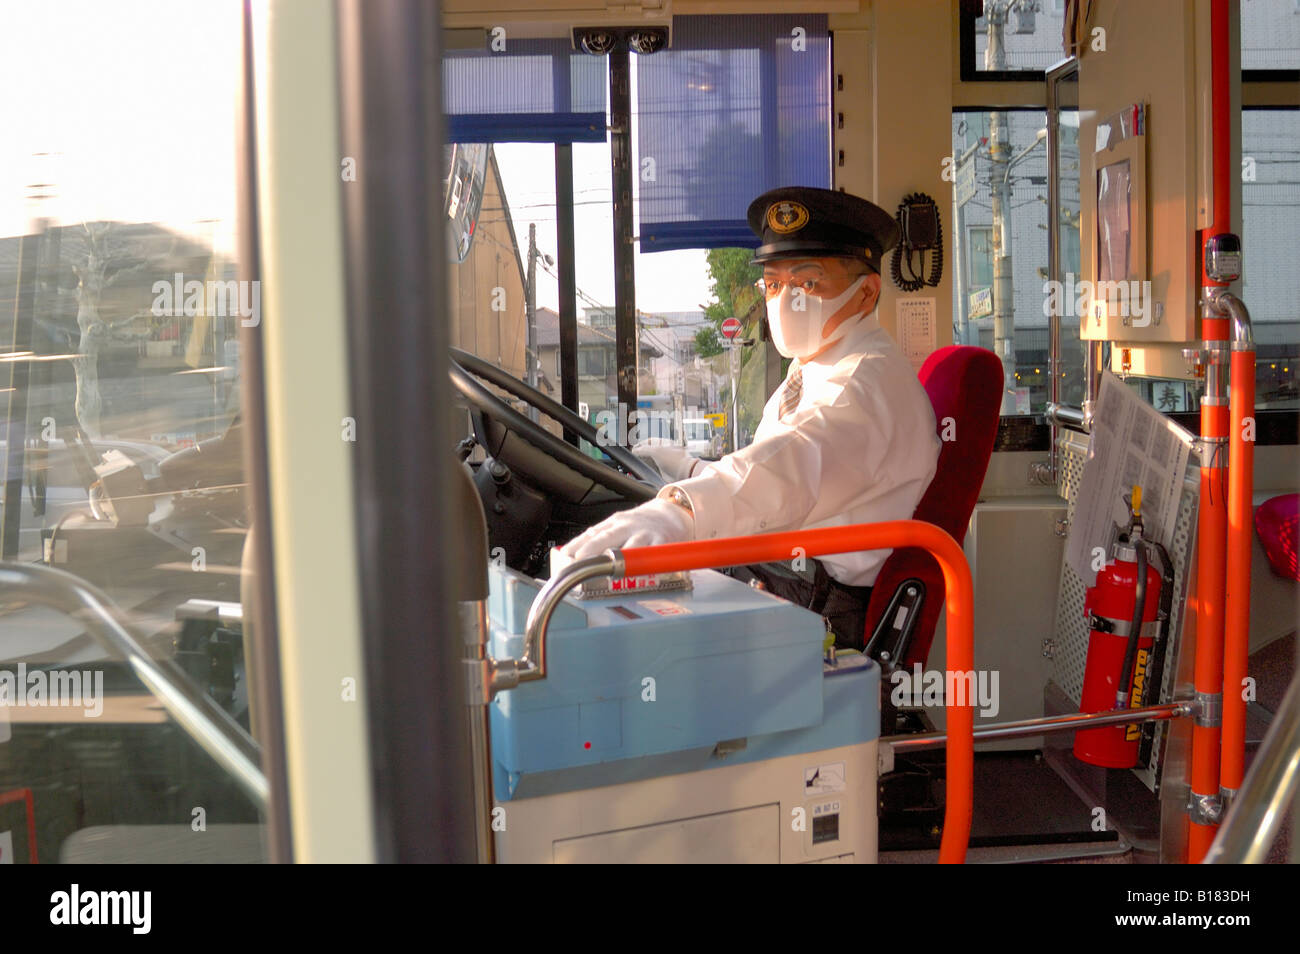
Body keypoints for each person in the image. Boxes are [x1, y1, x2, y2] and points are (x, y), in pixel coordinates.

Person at [562, 186, 942, 649]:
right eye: (775, 284)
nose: (785, 301)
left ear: (866, 293)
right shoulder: (818, 363)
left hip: (821, 609)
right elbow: (774, 462)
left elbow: (793, 469)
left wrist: (679, 512)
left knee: (620, 640)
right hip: (788, 571)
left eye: (808, 283)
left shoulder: (861, 385)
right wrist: (691, 470)